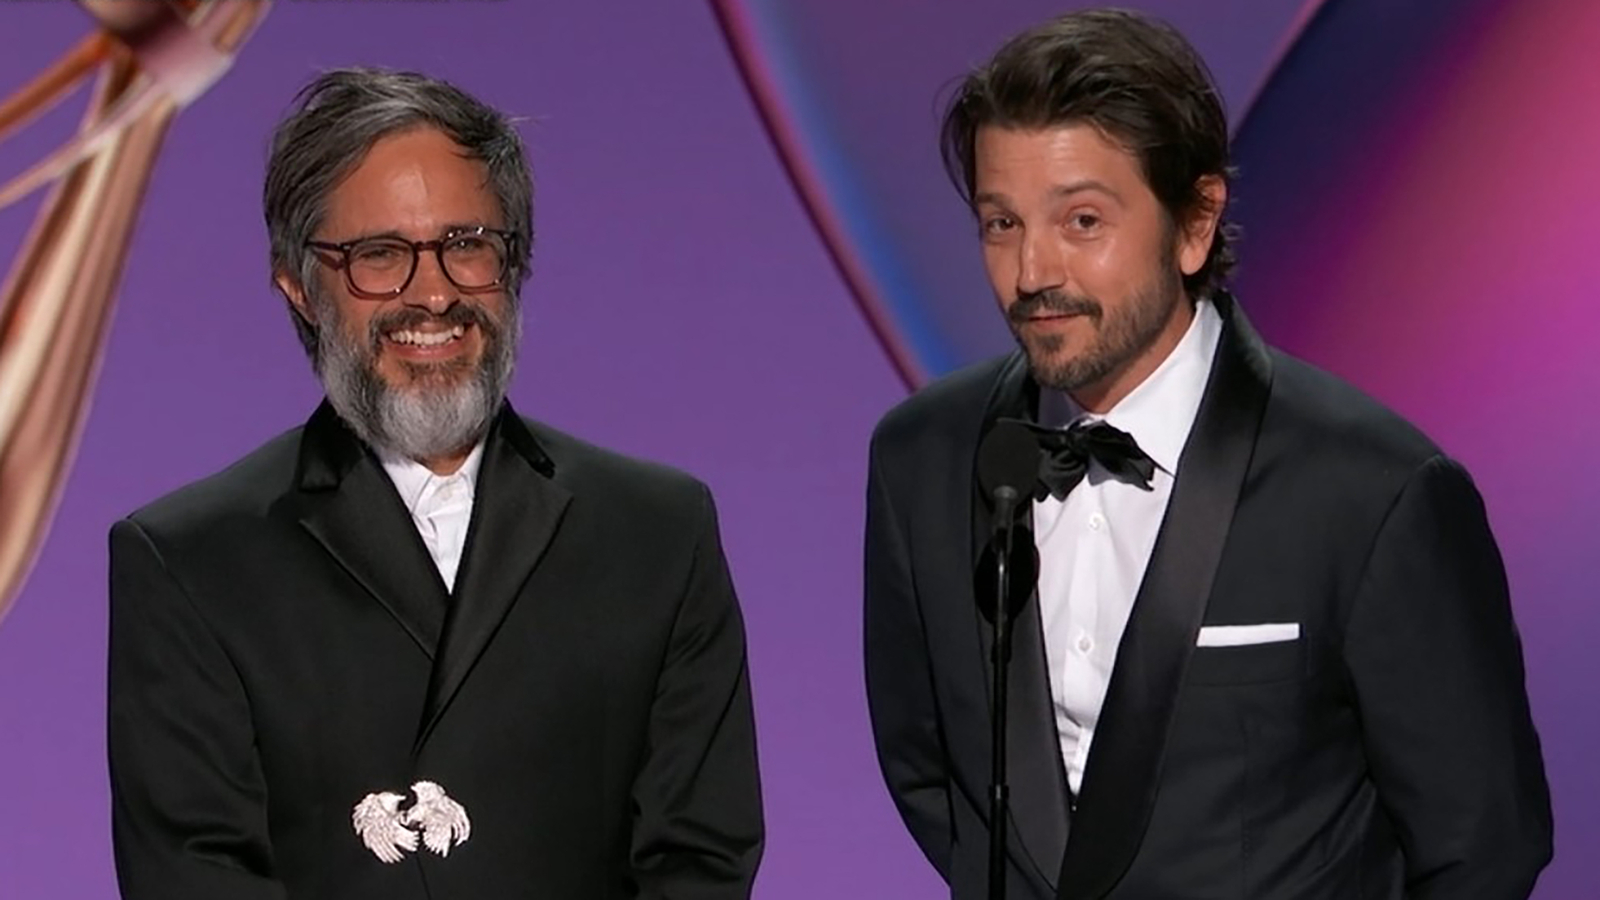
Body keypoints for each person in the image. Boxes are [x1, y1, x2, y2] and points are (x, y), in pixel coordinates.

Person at [863, 10, 1551, 899]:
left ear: (1195, 222)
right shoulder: (923, 457)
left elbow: (1482, 844)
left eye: (1081, 220)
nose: (1033, 270)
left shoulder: (1373, 490)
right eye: (1001, 223)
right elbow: (929, 776)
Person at [107, 67, 762, 900]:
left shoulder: (657, 532)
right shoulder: (190, 561)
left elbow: (699, 859)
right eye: (379, 255)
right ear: (300, 288)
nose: (434, 293)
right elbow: (193, 876)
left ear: (513, 265)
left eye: (467, 244)